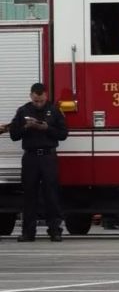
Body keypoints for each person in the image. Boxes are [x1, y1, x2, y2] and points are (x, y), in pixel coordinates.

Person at [0, 83, 68, 242]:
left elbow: (63, 134)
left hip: (48, 157)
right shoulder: (23, 111)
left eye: (41, 100)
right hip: (30, 157)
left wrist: (46, 129)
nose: (38, 103)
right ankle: (28, 232)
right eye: (36, 100)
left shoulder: (55, 111)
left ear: (46, 96)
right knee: (29, 195)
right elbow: (14, 135)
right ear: (31, 96)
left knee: (51, 194)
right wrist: (26, 127)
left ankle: (55, 231)